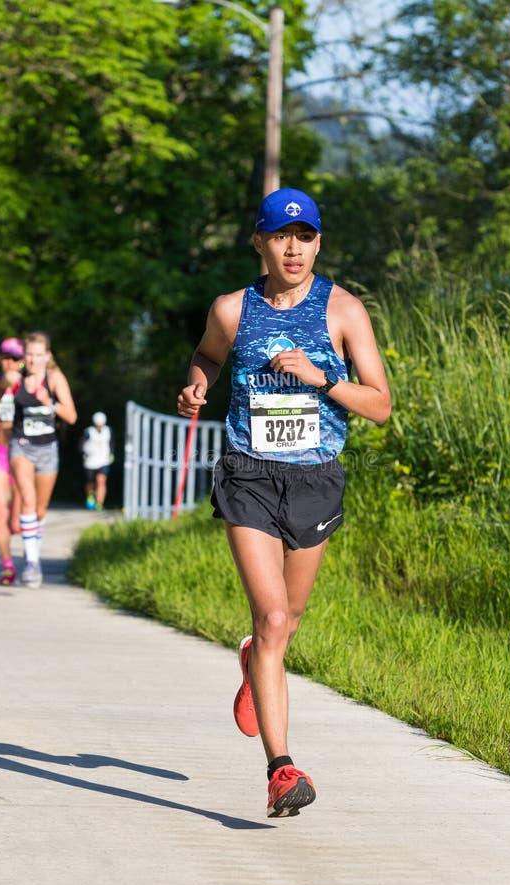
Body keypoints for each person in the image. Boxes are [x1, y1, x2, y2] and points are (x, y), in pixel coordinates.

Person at [177, 187, 391, 818]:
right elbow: (206, 359)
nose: (292, 249)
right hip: (247, 473)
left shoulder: (344, 310)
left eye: (304, 237)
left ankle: (254, 665)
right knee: (271, 618)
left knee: (286, 622)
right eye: (280, 237)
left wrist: (323, 378)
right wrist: (196, 386)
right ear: (260, 243)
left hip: (315, 479)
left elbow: (380, 405)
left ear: (317, 242)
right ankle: (280, 769)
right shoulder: (231, 309)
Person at [9, 331, 77, 588]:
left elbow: (71, 416)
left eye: (39, 355)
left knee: (38, 509)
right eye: (29, 354)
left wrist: (50, 403)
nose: (34, 359)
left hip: (47, 449)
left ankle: (31, 550)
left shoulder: (55, 378)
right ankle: (32, 565)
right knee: (26, 499)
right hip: (21, 446)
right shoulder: (16, 378)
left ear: (47, 355)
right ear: (23, 356)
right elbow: (1, 403)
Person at [0, 338, 25, 585]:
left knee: (17, 519)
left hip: (22, 453)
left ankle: (31, 559)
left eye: (15, 358)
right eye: (6, 358)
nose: (10, 363)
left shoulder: (30, 387)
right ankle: (8, 566)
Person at [80, 411, 114, 511]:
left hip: (103, 460)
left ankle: (99, 503)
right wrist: (85, 453)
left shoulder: (108, 431)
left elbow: (111, 444)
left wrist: (111, 454)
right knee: (90, 482)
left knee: (101, 481)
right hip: (90, 461)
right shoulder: (88, 431)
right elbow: (81, 445)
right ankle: (90, 497)